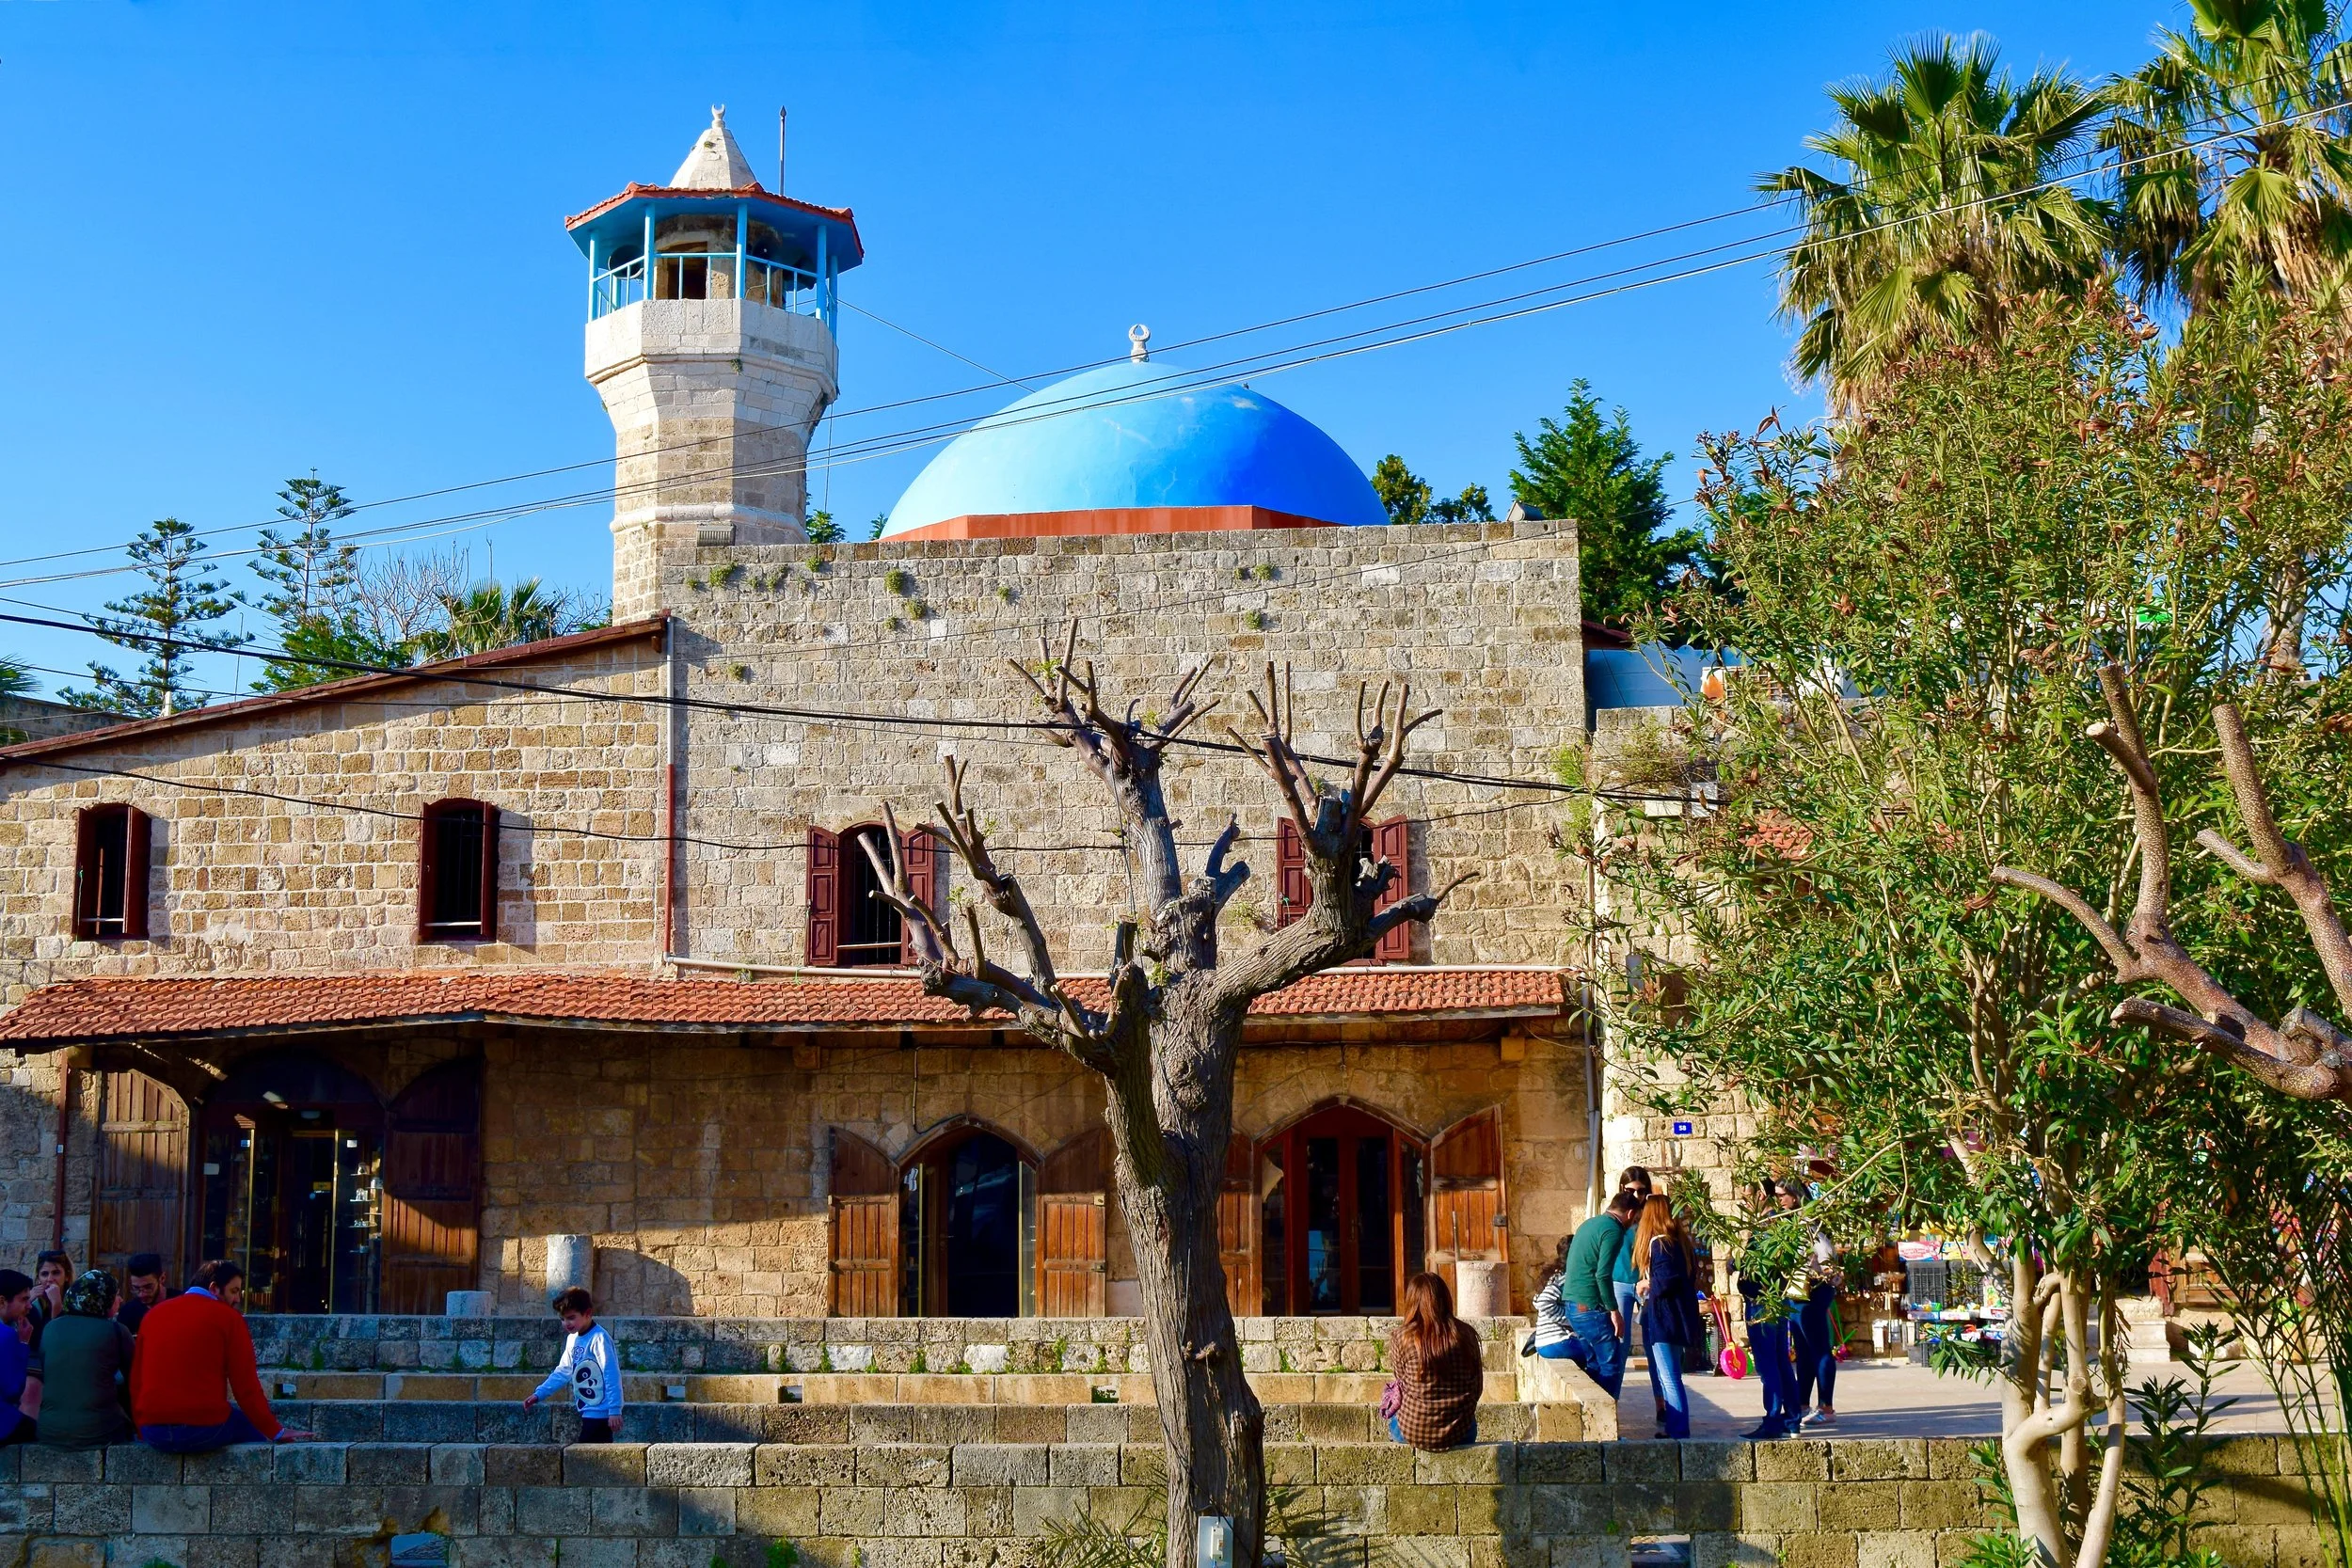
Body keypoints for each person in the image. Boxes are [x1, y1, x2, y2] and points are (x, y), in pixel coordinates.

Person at [130, 1259, 312, 1452]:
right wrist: (276, 1431)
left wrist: (142, 1430)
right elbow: (246, 1388)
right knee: (255, 1437)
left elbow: (136, 1382)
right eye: (234, 1291)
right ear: (214, 1288)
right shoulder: (229, 1319)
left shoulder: (152, 1316)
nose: (237, 1299)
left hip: (153, 1431)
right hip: (203, 1428)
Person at [32, 1271, 134, 1450]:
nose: (121, 1300)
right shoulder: (116, 1331)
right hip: (98, 1431)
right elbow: (134, 1380)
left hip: (49, 1430)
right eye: (116, 1295)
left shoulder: (51, 1328)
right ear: (103, 1298)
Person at [1383, 1272, 1484, 1450]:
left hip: (1413, 1430)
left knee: (1393, 1408)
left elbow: (1401, 1381)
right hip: (1462, 1431)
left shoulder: (1401, 1337)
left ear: (1412, 1302)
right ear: (1445, 1298)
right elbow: (1477, 1388)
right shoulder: (1467, 1334)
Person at [1633, 1196, 1706, 1440]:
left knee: (1669, 1377)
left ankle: (1678, 1431)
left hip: (1664, 1318)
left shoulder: (1660, 1244)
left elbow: (1664, 1281)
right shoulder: (1680, 1243)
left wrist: (1645, 1283)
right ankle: (1676, 1428)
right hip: (1678, 1317)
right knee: (1671, 1375)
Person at [1557, 1190, 1643, 1397]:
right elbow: (1603, 1275)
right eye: (1636, 1219)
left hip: (1572, 1305)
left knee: (1594, 1363)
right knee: (1611, 1364)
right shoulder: (1613, 1231)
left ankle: (1592, 1421)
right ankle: (1607, 1425)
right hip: (1589, 1308)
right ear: (1630, 1214)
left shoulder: (1589, 1224)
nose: (1634, 1224)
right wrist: (1614, 1311)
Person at [1738, 1181, 1802, 1439]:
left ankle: (1773, 1419)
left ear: (1761, 1196)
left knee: (1769, 1365)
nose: (1744, 1204)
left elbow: (1759, 1268)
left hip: (1763, 1301)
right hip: (1776, 1300)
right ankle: (1792, 1419)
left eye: (1747, 1198)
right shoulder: (1780, 1223)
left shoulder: (1766, 1227)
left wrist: (1737, 1263)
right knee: (1781, 1362)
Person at [526, 1287, 623, 1443]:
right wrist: (539, 1394)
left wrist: (614, 1410)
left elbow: (610, 1374)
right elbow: (563, 1371)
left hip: (601, 1411)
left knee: (586, 1455)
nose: (566, 1323)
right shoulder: (573, 1339)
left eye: (571, 1318)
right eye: (562, 1319)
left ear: (588, 1314)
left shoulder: (599, 1338)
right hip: (586, 1410)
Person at [1789, 1202, 1842, 1428]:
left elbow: (1831, 1270)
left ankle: (1825, 1407)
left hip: (1812, 1296)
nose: (1780, 1201)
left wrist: (1816, 1271)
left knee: (1820, 1350)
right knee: (1803, 1351)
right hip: (1798, 1297)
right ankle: (1802, 1404)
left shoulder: (1815, 1235)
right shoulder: (1795, 1232)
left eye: (1783, 1196)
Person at [0, 1271, 40, 1446]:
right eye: (23, 1299)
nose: (29, 1306)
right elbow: (13, 1391)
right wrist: (23, 1344)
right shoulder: (7, 1335)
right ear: (2, 1301)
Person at [1527, 1234, 1578, 1358]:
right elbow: (1544, 1301)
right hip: (1558, 1341)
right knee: (1600, 1353)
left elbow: (1538, 1299)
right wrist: (1568, 1319)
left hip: (1544, 1342)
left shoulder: (1553, 1275)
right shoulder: (1564, 1279)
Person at [118, 1255, 175, 1335]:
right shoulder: (127, 1312)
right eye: (136, 1288)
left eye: (148, 1287)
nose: (141, 1294)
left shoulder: (181, 1302)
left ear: (162, 1278)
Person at [27, 1252, 70, 1338]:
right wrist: (26, 1302)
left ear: (67, 1276)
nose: (50, 1279)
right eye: (44, 1274)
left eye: (56, 1273)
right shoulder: (33, 1306)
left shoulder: (75, 1304)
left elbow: (59, 1338)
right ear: (38, 1278)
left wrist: (56, 1304)